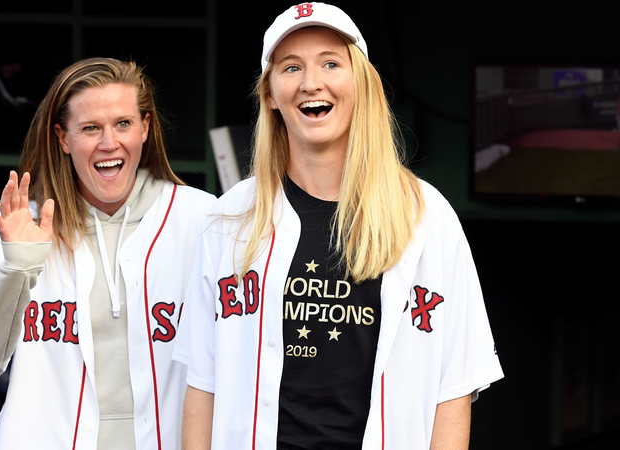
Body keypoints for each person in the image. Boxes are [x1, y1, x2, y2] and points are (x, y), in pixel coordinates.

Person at [173, 3, 504, 449]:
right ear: (269, 92)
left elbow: (454, 389)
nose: (312, 82)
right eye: (291, 67)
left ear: (361, 83)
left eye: (331, 63)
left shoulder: (427, 216)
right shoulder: (231, 216)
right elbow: (202, 381)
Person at [0, 57, 216, 450]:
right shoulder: (19, 224)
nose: (109, 143)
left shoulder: (203, 220)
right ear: (63, 138)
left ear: (145, 127)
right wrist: (15, 270)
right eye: (90, 128)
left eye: (123, 123)